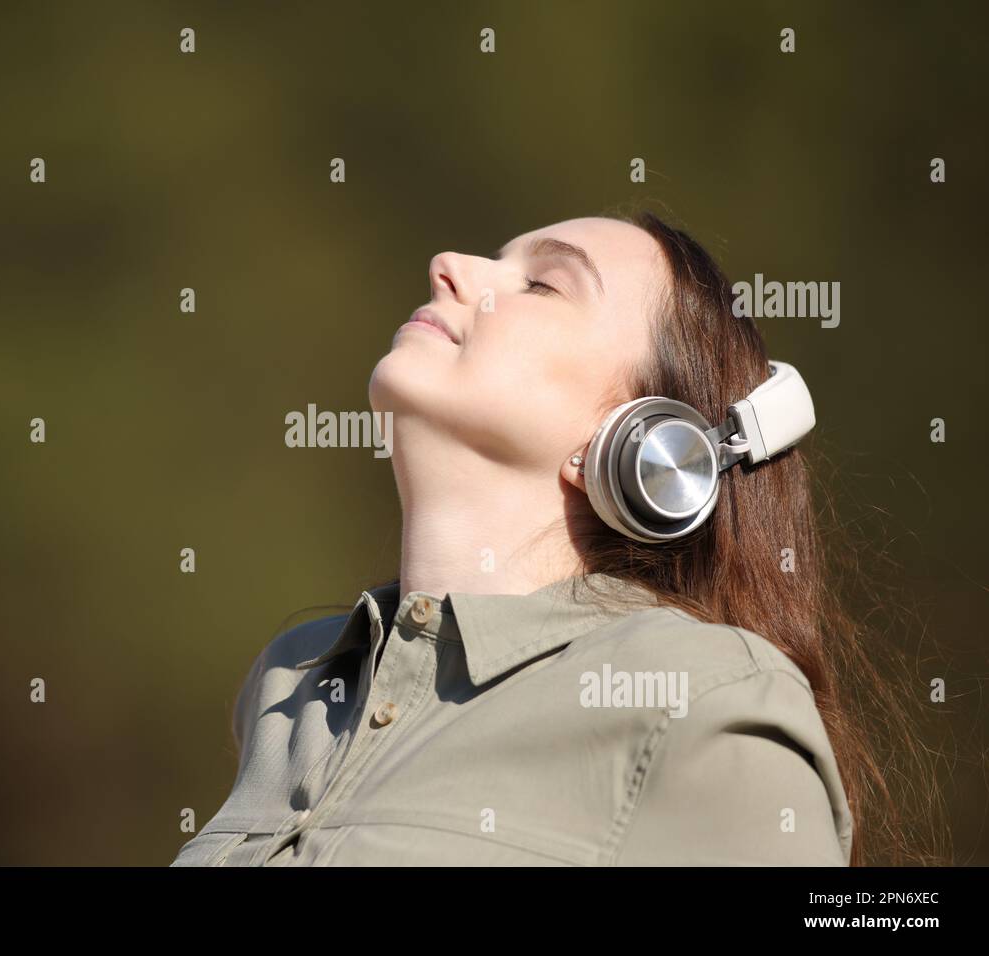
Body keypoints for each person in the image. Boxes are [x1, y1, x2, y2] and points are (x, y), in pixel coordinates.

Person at [171, 212, 926, 866]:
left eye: (543, 284)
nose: (449, 267)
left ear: (651, 444)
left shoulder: (701, 695)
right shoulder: (291, 682)